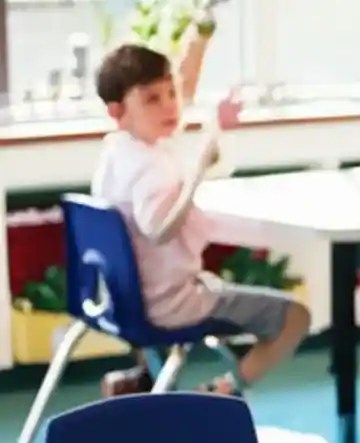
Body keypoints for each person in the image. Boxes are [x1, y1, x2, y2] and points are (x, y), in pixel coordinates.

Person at [92, 35, 310, 396]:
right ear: (117, 112)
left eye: (171, 94)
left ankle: (143, 377)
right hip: (172, 305)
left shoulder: (117, 152)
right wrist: (195, 176)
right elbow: (159, 229)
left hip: (124, 300)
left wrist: (216, 131)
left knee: (213, 283)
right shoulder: (151, 168)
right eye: (152, 99)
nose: (170, 106)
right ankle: (221, 390)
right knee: (296, 317)